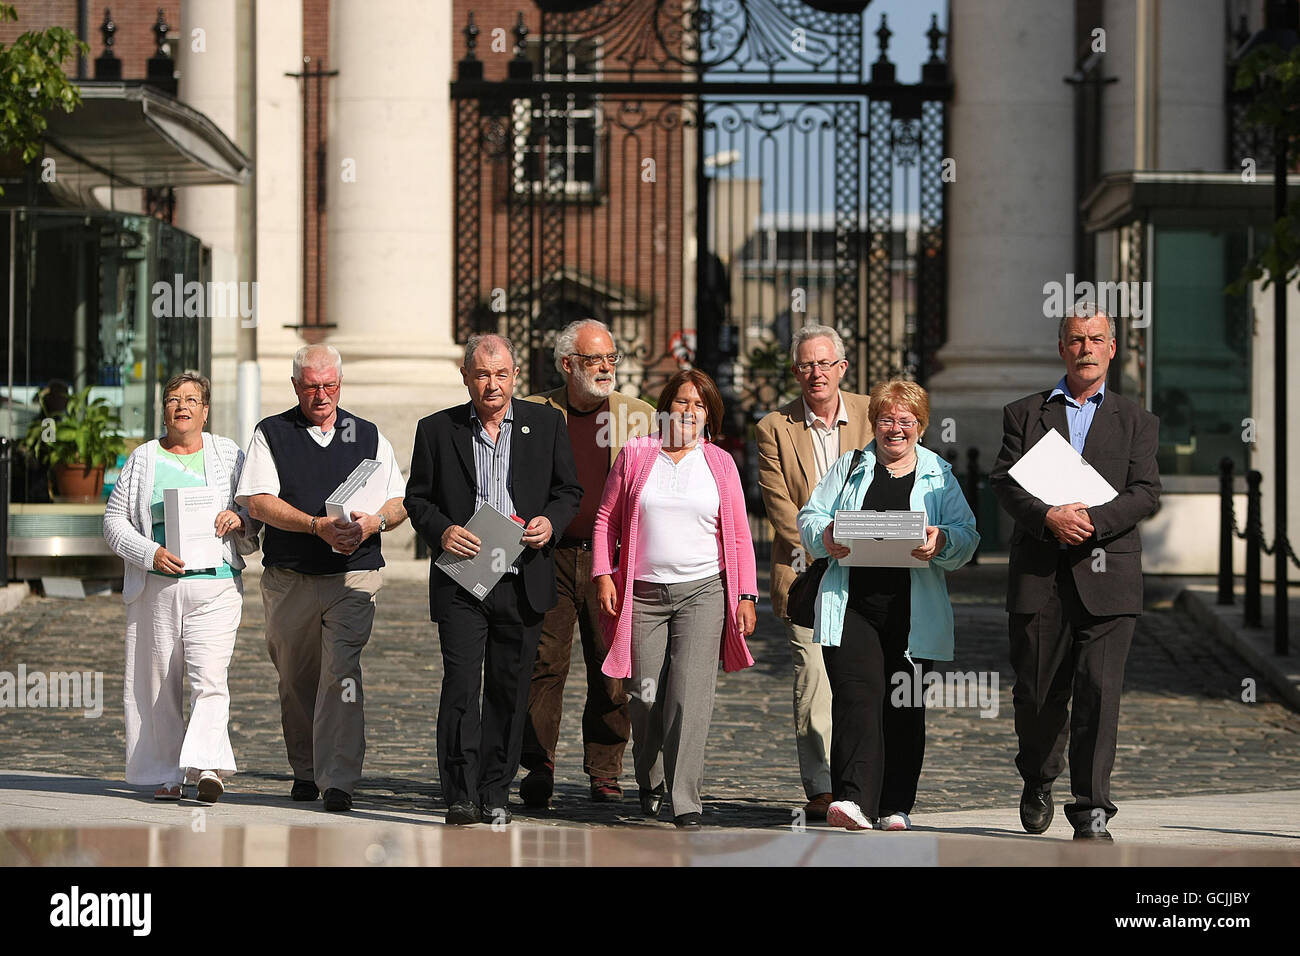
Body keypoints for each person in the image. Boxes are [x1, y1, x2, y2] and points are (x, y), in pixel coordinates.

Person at [989, 304, 1160, 842]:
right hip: (1040, 578)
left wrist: (1088, 521)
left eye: (1097, 339)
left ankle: (1091, 808)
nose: (1086, 347)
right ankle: (1038, 776)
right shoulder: (1024, 413)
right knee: (1038, 697)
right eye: (1076, 339)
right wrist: (1047, 518)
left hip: (1110, 578)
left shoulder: (1137, 421)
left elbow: (1146, 492)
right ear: (1062, 348)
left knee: (1098, 692)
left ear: (1112, 349)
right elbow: (1006, 483)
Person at [405, 333, 583, 826]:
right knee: (462, 686)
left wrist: (551, 521)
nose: (492, 384)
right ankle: (460, 793)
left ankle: (495, 789)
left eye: (501, 374)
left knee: (509, 687)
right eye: (482, 374)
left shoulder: (546, 424)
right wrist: (443, 531)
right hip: (464, 577)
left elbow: (568, 490)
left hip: (521, 574)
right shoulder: (436, 430)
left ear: (515, 376)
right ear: (465, 377)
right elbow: (417, 500)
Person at [797, 380, 978, 831]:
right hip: (852, 602)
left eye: (905, 421)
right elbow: (810, 516)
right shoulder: (850, 465)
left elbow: (967, 535)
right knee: (857, 699)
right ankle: (853, 800)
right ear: (874, 422)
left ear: (920, 426)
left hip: (914, 612)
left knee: (903, 705)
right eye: (886, 420)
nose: (895, 429)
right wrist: (827, 535)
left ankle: (895, 804)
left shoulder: (939, 474)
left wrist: (942, 540)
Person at [235, 344, 408, 813]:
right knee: (295, 678)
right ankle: (306, 769)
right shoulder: (272, 433)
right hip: (290, 576)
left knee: (341, 672)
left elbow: (399, 501)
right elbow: (258, 501)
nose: (322, 395)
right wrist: (316, 525)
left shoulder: (368, 435)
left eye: (329, 385)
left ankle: (339, 779)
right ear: (296, 386)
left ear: (341, 383)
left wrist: (373, 524)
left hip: (353, 576)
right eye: (311, 386)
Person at [593, 369, 758, 830]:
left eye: (700, 405)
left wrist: (745, 594)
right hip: (642, 593)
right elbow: (606, 518)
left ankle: (686, 797)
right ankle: (649, 779)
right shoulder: (636, 453)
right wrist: (604, 573)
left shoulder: (720, 463)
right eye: (682, 402)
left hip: (704, 592)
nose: (689, 411)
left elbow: (740, 535)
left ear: (710, 415)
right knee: (644, 696)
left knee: (689, 695)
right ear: (666, 407)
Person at [104, 371, 260, 803]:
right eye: (173, 399)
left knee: (210, 677)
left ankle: (208, 767)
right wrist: (149, 553)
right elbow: (113, 521)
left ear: (206, 411)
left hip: (216, 585)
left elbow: (252, 513)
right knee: (159, 684)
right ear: (164, 410)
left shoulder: (228, 454)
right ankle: (167, 773)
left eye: (192, 399)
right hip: (159, 586)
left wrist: (241, 520)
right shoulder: (143, 458)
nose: (182, 406)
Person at [518, 319, 656, 807]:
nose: (605, 368)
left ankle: (605, 769)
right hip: (546, 555)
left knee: (611, 667)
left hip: (612, 561)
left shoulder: (639, 415)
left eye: (611, 358)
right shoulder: (533, 411)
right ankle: (539, 765)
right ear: (566, 364)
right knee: (544, 663)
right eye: (595, 359)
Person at [756, 324, 873, 820]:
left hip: (870, 570)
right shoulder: (773, 427)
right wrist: (825, 543)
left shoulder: (873, 413)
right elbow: (780, 507)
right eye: (806, 365)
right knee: (814, 677)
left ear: (842, 368)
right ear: (795, 371)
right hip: (805, 572)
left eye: (825, 363)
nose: (815, 373)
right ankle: (822, 786)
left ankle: (864, 778)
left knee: (865, 678)